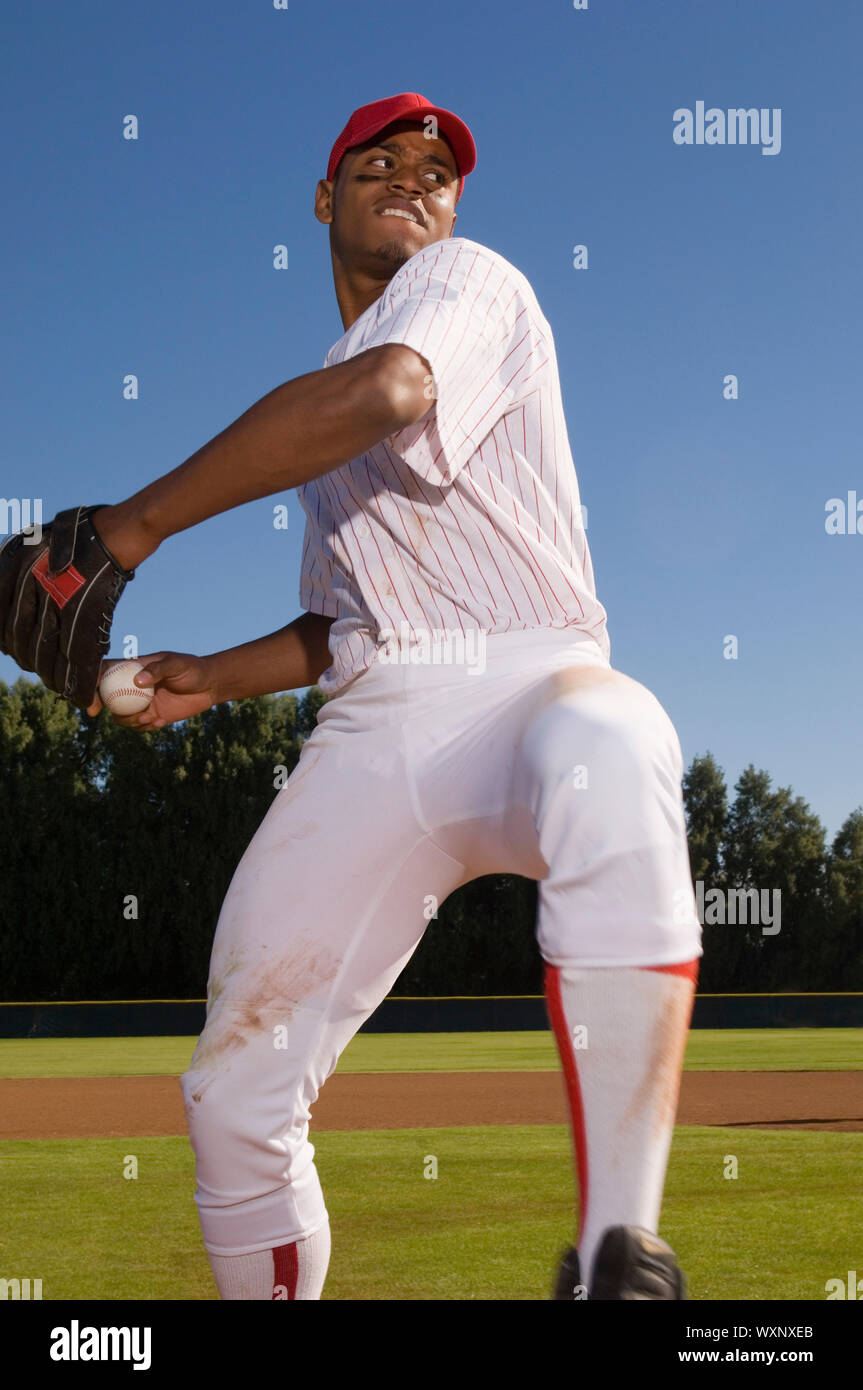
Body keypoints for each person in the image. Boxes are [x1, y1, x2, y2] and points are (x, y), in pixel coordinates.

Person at [85, 92, 702, 1301]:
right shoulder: (314, 411)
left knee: (610, 738)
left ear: (455, 210)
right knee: (234, 1089)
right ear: (324, 198)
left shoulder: (466, 282)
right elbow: (339, 623)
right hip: (375, 728)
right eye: (379, 161)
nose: (413, 179)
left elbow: (392, 390)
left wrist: (126, 529)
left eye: (435, 170)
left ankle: (616, 1254)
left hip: (529, 675)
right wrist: (209, 678)